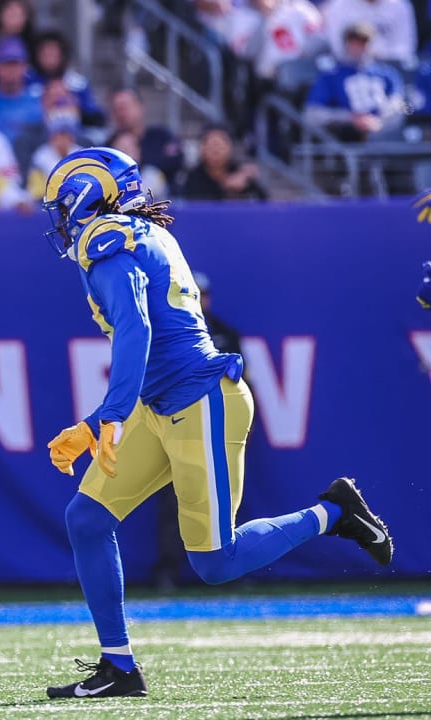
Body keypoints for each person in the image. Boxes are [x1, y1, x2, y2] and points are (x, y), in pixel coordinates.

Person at [39, 147, 394, 699]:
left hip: (200, 400)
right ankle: (120, 666)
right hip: (163, 403)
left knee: (215, 562)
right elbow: (150, 340)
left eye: (62, 205)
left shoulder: (106, 238)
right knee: (87, 518)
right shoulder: (141, 234)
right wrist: (100, 419)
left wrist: (103, 418)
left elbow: (136, 331)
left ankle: (333, 512)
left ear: (87, 195)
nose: (60, 219)